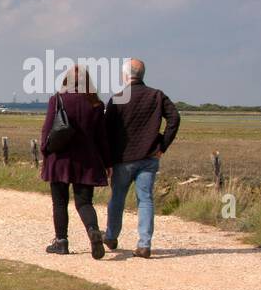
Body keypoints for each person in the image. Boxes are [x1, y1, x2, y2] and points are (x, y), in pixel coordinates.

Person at [104, 58, 179, 258]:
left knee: (117, 198)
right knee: (145, 199)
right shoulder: (156, 95)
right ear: (142, 75)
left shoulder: (118, 98)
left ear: (125, 75)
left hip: (122, 159)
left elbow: (106, 132)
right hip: (149, 157)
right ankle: (144, 243)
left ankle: (111, 236)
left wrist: (107, 161)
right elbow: (175, 118)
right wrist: (163, 145)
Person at [40, 65, 110, 258]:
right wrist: (107, 162)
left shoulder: (57, 100)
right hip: (87, 161)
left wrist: (44, 152)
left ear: (66, 81)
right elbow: (101, 138)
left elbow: (47, 129)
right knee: (84, 202)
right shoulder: (96, 105)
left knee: (60, 202)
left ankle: (61, 242)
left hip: (59, 159)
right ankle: (93, 230)